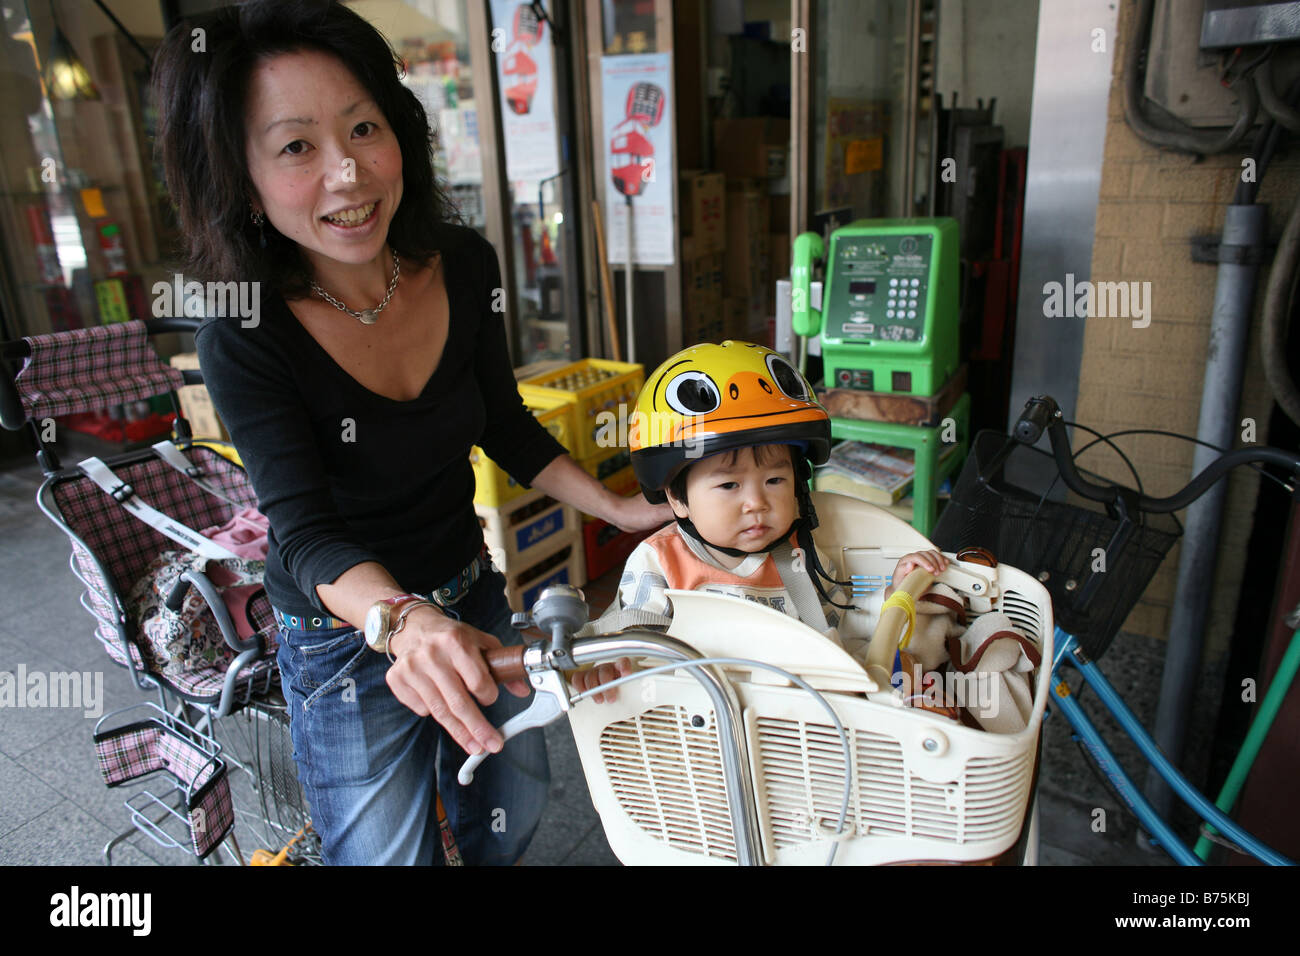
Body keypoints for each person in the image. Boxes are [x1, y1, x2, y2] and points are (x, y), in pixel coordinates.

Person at [151, 0, 669, 864]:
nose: (348, 174)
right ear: (241, 182)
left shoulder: (463, 265)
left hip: (470, 592)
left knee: (512, 798)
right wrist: (401, 620)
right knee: (386, 854)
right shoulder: (244, 337)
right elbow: (307, 534)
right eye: (296, 148)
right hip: (347, 640)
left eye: (364, 128)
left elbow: (504, 424)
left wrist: (616, 512)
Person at [571, 341, 946, 702]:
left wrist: (894, 593)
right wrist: (606, 663)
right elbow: (629, 638)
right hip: (699, 735)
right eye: (729, 484)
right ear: (676, 497)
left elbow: (846, 624)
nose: (756, 503)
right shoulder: (661, 563)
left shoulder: (800, 559)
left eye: (775, 480)